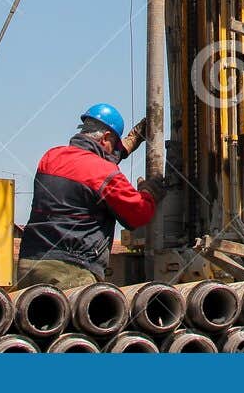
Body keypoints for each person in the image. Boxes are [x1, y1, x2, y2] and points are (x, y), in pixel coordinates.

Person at [16, 104, 157, 289]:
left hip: (29, 265)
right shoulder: (104, 173)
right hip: (70, 271)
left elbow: (83, 165)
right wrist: (149, 193)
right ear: (106, 137)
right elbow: (138, 215)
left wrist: (122, 149)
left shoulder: (50, 158)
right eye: (115, 145)